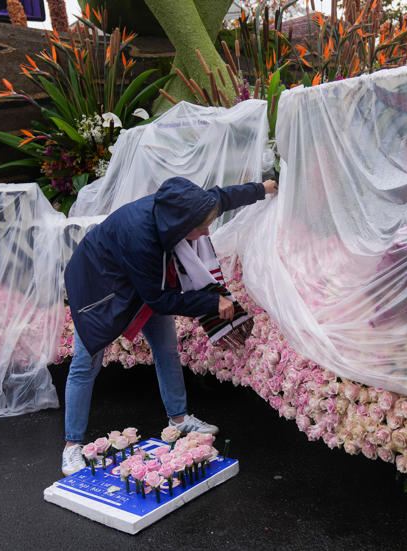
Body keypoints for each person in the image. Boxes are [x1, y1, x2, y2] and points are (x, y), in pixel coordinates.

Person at [61, 176, 279, 475]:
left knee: (166, 349)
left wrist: (263, 189)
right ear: (180, 225)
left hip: (141, 283)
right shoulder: (142, 237)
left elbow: (219, 197)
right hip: (98, 288)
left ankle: (178, 419)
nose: (207, 232)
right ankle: (72, 447)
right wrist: (211, 303)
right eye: (201, 228)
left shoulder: (181, 210)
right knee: (86, 364)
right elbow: (161, 301)